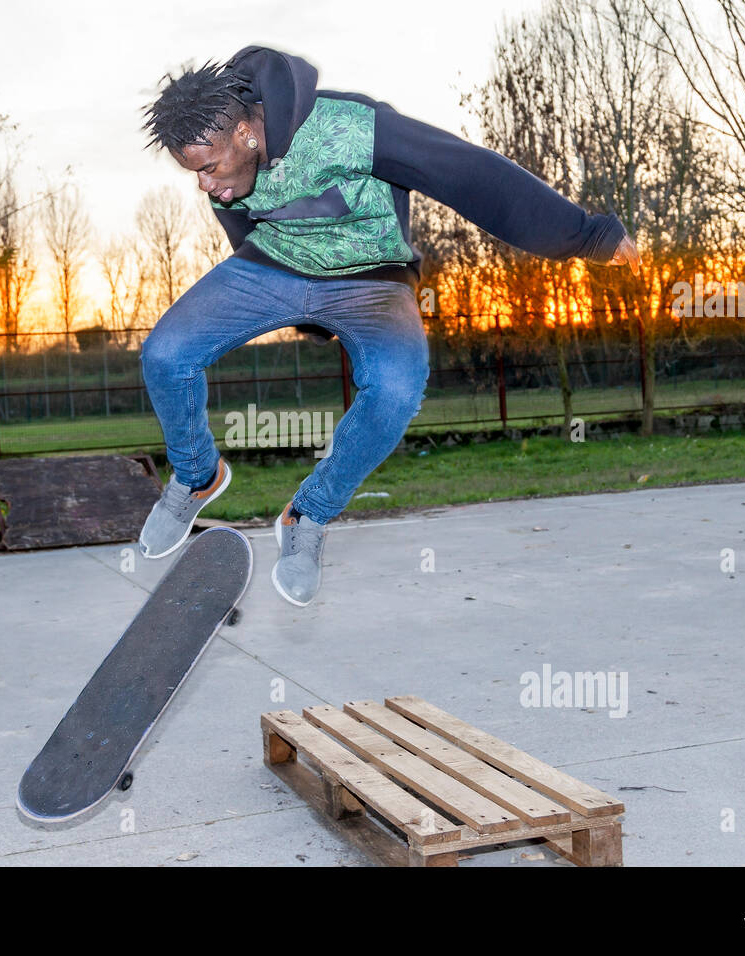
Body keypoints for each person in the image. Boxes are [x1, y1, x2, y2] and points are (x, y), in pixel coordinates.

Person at [136, 44, 640, 607]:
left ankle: (310, 514)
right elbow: (240, 223)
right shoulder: (230, 170)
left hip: (373, 278)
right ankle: (197, 475)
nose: (205, 186)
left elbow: (467, 172)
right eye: (194, 173)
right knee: (166, 354)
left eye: (207, 168)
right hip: (275, 265)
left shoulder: (350, 127)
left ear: (247, 134)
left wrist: (585, 234)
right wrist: (303, 314)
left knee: (398, 388)